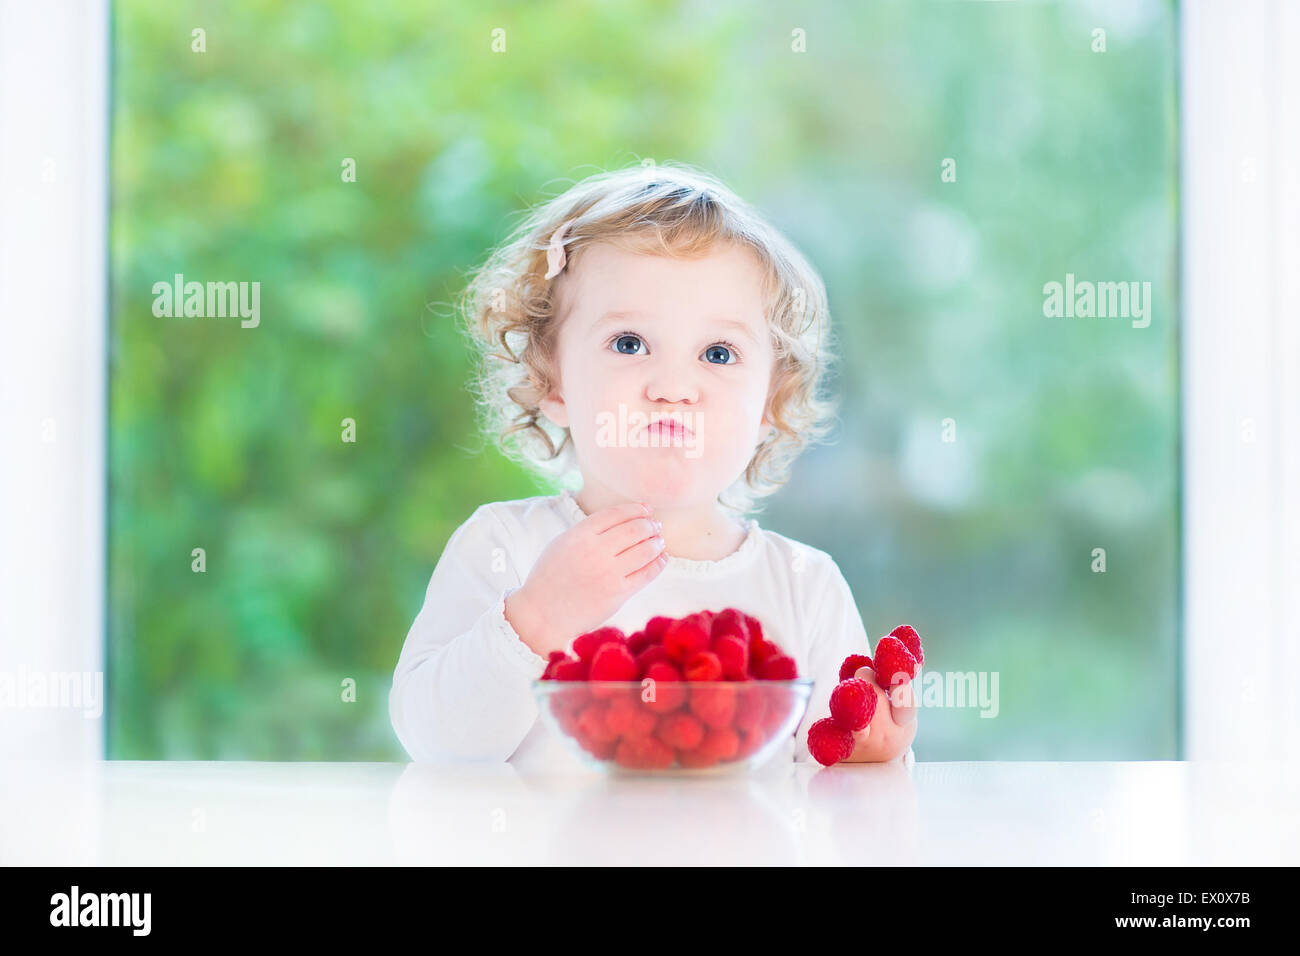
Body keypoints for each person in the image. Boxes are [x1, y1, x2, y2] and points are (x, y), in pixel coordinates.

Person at [389, 162, 917, 769]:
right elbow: (435, 744)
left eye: (718, 353)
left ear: (770, 402)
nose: (673, 387)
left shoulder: (806, 588)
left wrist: (868, 755)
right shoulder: (504, 548)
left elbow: (840, 820)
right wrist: (534, 621)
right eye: (629, 343)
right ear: (552, 381)